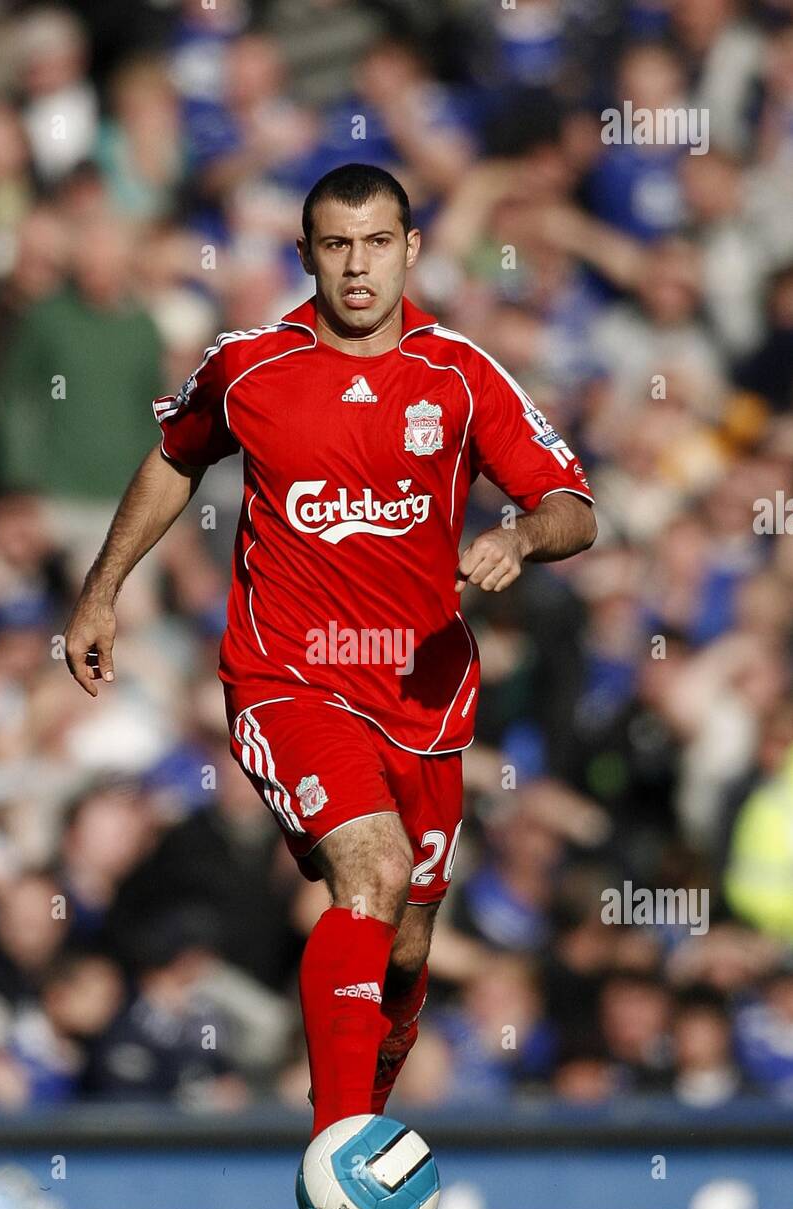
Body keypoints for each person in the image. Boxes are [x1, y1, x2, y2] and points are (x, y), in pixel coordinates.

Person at [63, 163, 596, 1138]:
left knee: (405, 942)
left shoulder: (461, 375)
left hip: (424, 699)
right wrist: (102, 591)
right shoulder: (248, 366)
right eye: (336, 245)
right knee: (371, 870)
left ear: (412, 249)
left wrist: (518, 537)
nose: (357, 268)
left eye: (377, 243)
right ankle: (340, 1147)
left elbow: (572, 506)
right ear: (305, 253)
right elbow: (174, 457)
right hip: (288, 681)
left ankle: (361, 1117)